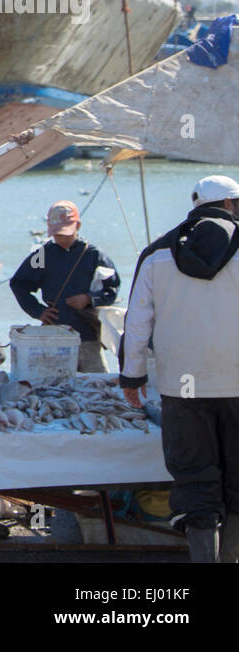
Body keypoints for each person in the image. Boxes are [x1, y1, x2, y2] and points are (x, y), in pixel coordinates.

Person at [120, 174, 239, 563]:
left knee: (195, 479)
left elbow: (136, 323)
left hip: (182, 388)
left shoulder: (158, 254)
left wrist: (132, 376)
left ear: (195, 205)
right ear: (230, 205)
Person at [9, 200, 120, 372]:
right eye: (58, 234)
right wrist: (38, 311)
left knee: (98, 382)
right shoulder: (43, 255)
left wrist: (89, 299)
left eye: (66, 233)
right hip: (54, 334)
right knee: (53, 382)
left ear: (78, 226)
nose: (62, 238)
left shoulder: (94, 255)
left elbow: (112, 289)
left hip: (88, 335)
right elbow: (19, 284)